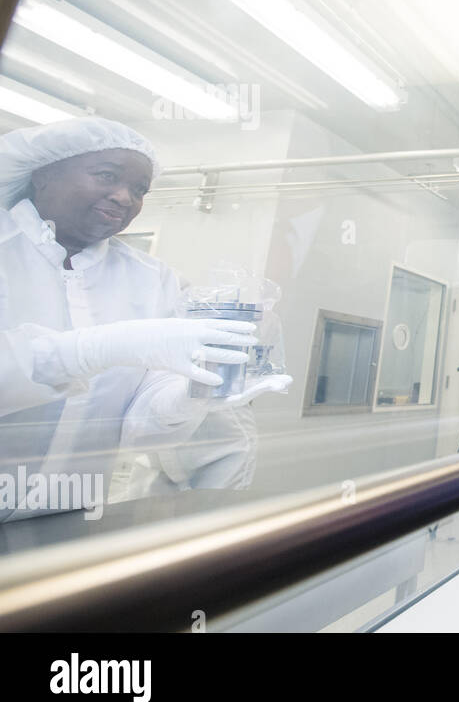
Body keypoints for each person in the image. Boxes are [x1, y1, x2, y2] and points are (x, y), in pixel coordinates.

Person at [0, 118, 286, 524]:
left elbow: (137, 430)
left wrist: (190, 395)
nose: (124, 198)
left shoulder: (152, 280)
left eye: (139, 190)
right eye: (107, 176)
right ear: (43, 175)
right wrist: (89, 350)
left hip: (70, 520)